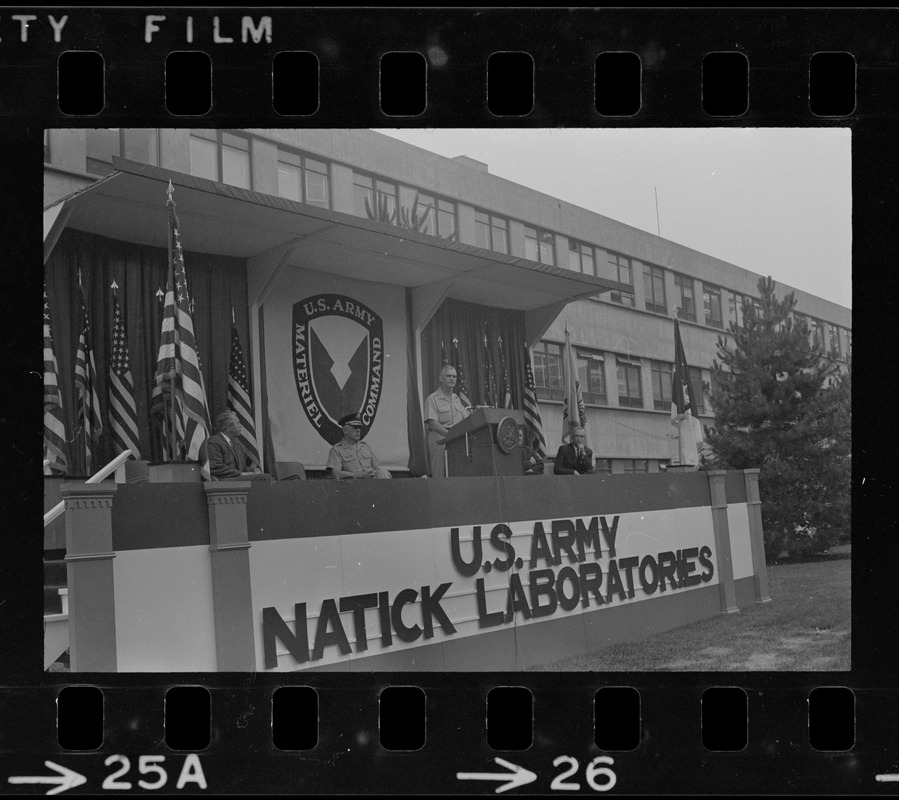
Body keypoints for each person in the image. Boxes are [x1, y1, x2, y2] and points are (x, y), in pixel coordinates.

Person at [423, 365, 471, 478]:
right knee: (439, 474)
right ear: (441, 378)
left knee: (457, 473)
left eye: (454, 376)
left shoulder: (457, 399)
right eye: (449, 376)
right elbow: (432, 423)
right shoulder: (432, 399)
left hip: (456, 439)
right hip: (440, 438)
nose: (452, 379)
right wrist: (450, 435)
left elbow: (466, 419)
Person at [206, 410, 275, 481]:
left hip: (237, 479)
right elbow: (215, 467)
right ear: (229, 427)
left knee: (266, 477)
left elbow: (242, 468)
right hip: (225, 480)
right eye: (238, 423)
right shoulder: (214, 441)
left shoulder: (236, 443)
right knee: (265, 478)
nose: (240, 426)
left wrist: (254, 470)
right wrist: (240, 473)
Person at [327, 413, 392, 479]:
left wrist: (383, 474)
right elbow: (336, 473)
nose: (358, 430)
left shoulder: (365, 446)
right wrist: (357, 475)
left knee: (383, 472)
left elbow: (376, 467)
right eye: (354, 428)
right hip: (353, 483)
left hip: (371, 482)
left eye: (359, 427)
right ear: (345, 431)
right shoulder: (337, 450)